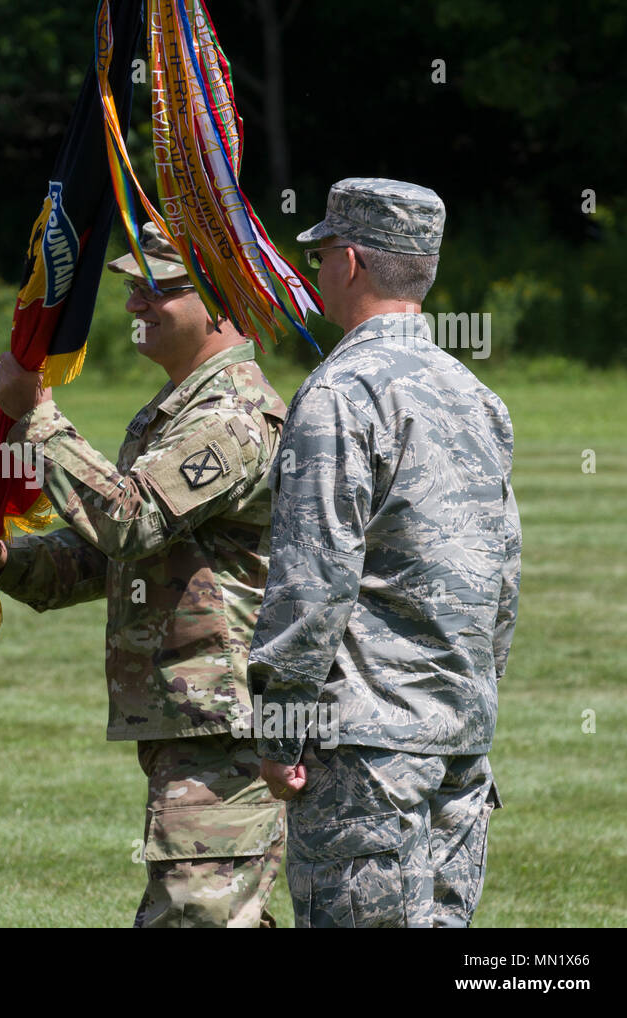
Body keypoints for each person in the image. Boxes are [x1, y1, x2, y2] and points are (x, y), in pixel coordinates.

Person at [0, 221, 288, 927]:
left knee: (191, 919)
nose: (134, 305)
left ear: (217, 298)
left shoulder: (230, 417)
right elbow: (120, 552)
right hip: (194, 723)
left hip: (225, 725)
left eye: (158, 288)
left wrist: (40, 419)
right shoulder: (178, 409)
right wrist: (5, 559)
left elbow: (131, 520)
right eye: (131, 287)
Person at [247, 178, 521, 928]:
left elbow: (313, 581)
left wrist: (278, 730)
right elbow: (501, 579)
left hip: (367, 753)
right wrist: (473, 699)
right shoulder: (475, 396)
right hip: (460, 740)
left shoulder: (340, 393)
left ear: (354, 261)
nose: (314, 270)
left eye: (323, 251)